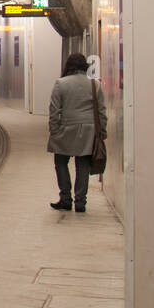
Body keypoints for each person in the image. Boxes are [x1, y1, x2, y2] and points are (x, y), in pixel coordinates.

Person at [47, 53, 107, 212]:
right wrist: (102, 131)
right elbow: (101, 111)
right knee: (83, 166)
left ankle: (65, 198)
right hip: (88, 131)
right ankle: (80, 202)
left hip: (66, 128)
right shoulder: (95, 85)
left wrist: (54, 130)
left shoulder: (60, 83)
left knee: (60, 162)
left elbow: (54, 110)